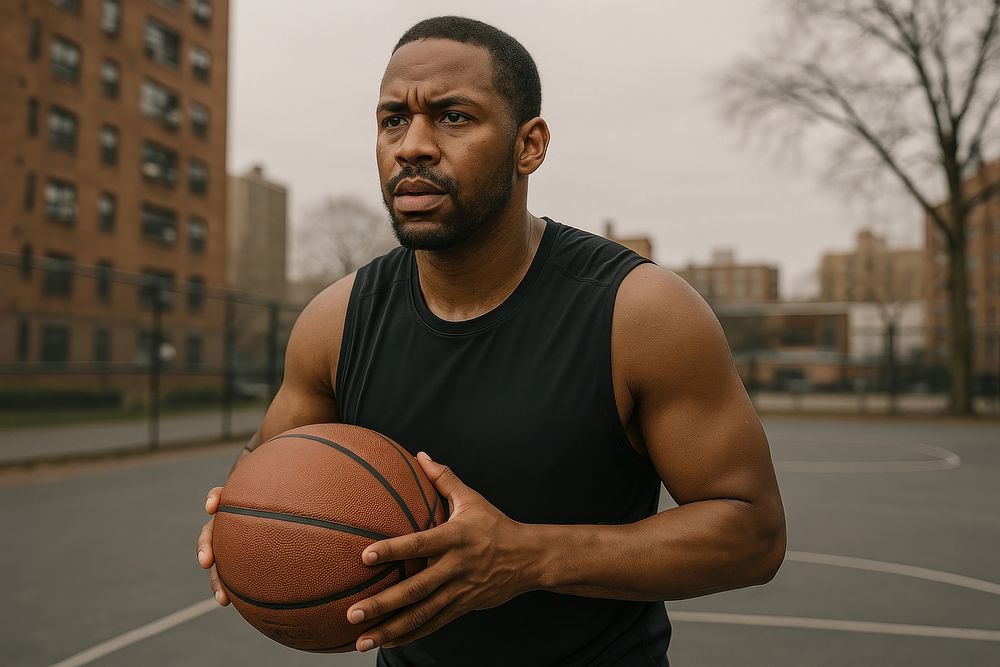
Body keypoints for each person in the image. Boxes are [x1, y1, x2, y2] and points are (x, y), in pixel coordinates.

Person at [197, 16, 786, 666]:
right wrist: (242, 527)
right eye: (393, 119)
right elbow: (266, 468)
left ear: (528, 145)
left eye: (453, 117)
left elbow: (753, 534)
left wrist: (525, 557)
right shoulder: (335, 322)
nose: (411, 145)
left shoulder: (639, 312)